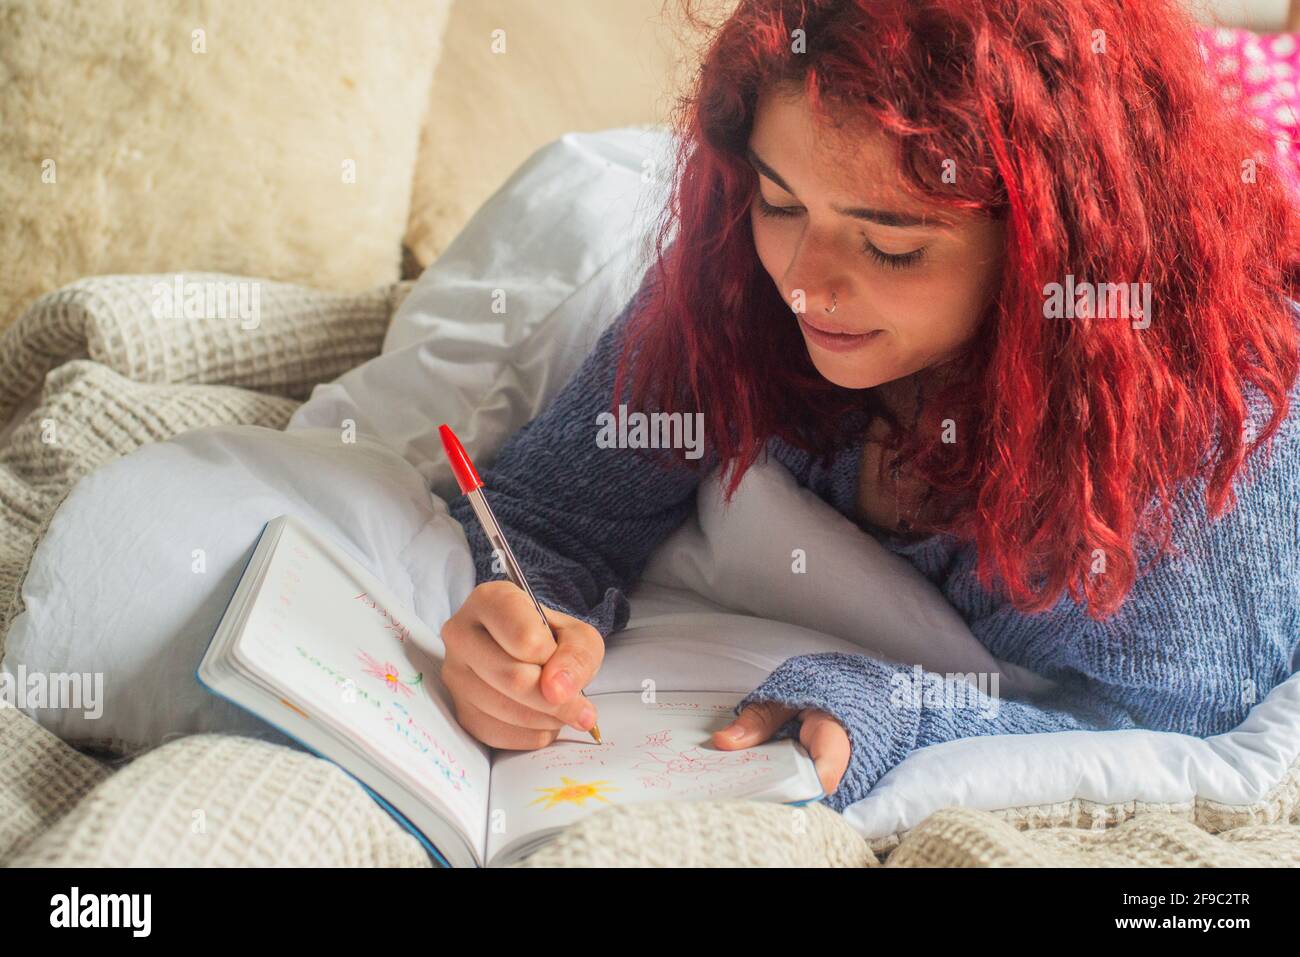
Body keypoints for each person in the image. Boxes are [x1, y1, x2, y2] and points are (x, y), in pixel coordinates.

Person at [439, 0, 1300, 813]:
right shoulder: (738, 280)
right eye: (781, 202)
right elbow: (549, 511)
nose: (806, 287)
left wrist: (915, 711)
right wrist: (531, 616)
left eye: (891, 246)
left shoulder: (1199, 434)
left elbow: (1177, 730)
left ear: (1051, 242)